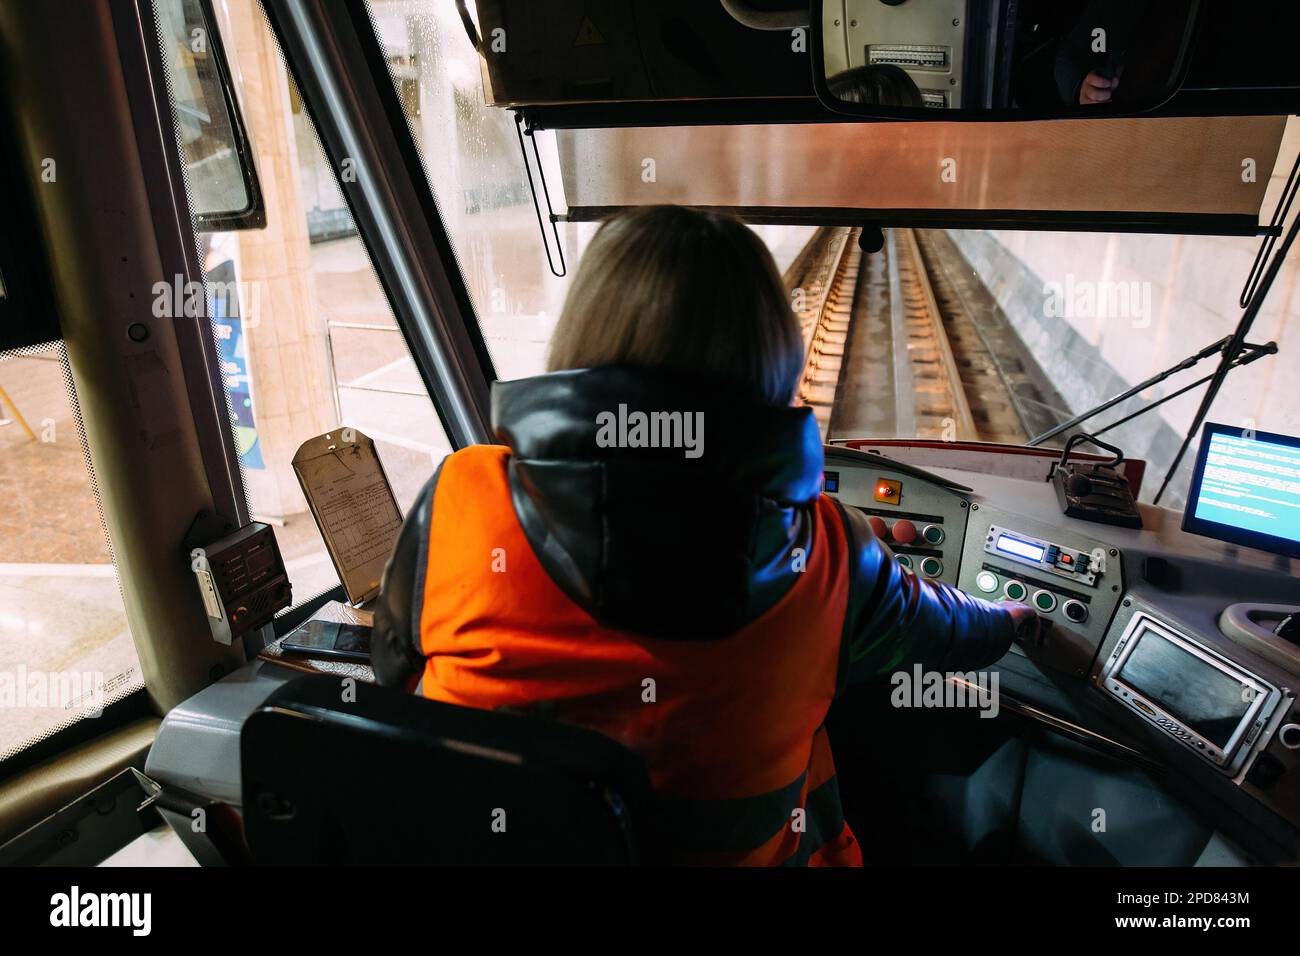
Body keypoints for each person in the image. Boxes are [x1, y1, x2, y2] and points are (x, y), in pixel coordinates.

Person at [371, 205, 1037, 866]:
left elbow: (394, 676)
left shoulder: (463, 497)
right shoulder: (832, 556)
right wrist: (1008, 617)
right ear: (770, 354)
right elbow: (944, 627)